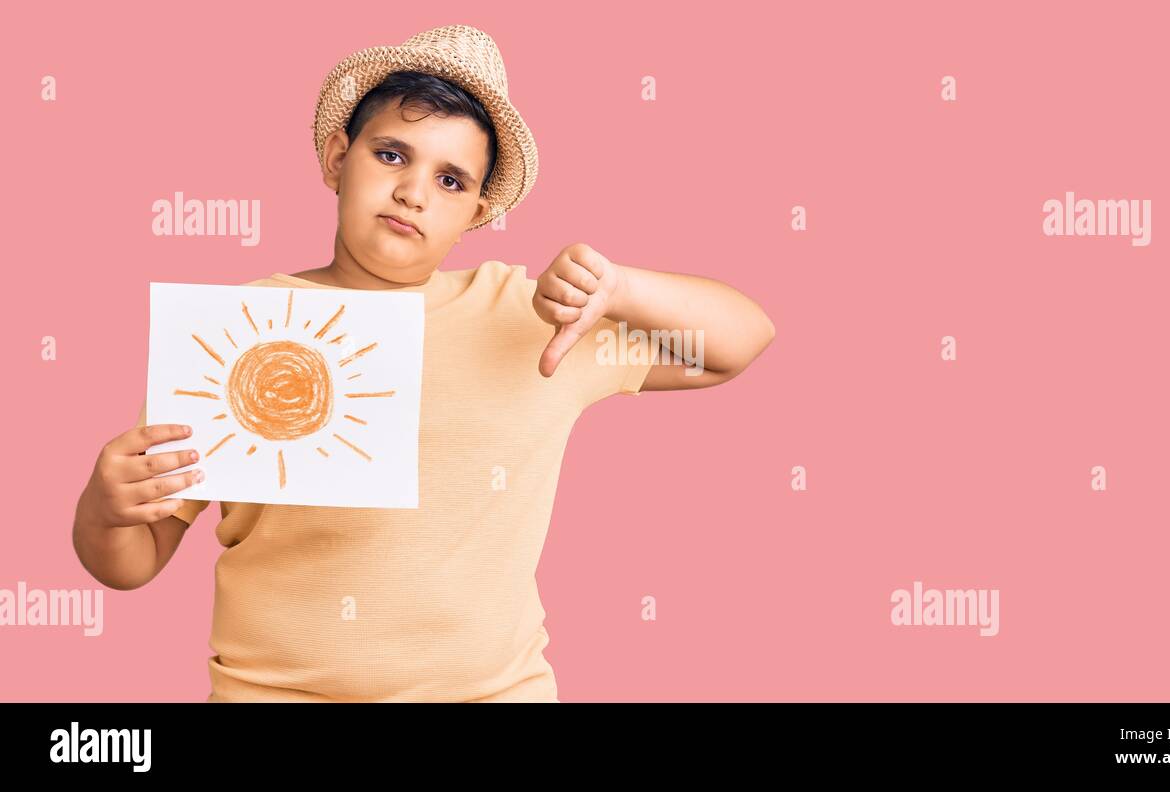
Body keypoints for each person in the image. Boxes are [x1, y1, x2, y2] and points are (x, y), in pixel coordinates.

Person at [71, 25, 775, 702]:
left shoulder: (532, 318)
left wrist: (622, 288)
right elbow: (137, 558)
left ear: (477, 209)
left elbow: (741, 338)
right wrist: (104, 512)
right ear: (335, 158)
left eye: (450, 179)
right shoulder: (243, 331)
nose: (414, 192)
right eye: (391, 156)